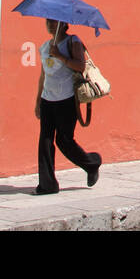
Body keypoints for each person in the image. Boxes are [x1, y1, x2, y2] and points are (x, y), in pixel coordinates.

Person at [35, 18, 102, 195]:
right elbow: (43, 76)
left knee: (64, 140)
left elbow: (80, 66)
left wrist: (60, 56)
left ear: (64, 24)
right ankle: (47, 184)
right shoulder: (44, 47)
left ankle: (91, 164)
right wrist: (37, 102)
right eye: (48, 21)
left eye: (55, 22)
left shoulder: (73, 41)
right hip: (47, 99)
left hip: (66, 99)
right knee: (45, 141)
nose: (50, 24)